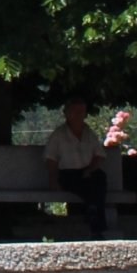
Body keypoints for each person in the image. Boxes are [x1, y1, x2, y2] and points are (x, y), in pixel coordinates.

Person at [45, 97, 108, 234]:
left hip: (87, 172)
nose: (79, 115)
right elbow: (51, 159)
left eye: (82, 111)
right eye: (75, 111)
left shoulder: (89, 133)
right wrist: (53, 180)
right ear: (67, 113)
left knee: (100, 178)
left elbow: (99, 155)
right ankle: (94, 216)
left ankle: (94, 215)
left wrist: (90, 169)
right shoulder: (59, 135)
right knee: (86, 186)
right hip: (68, 173)